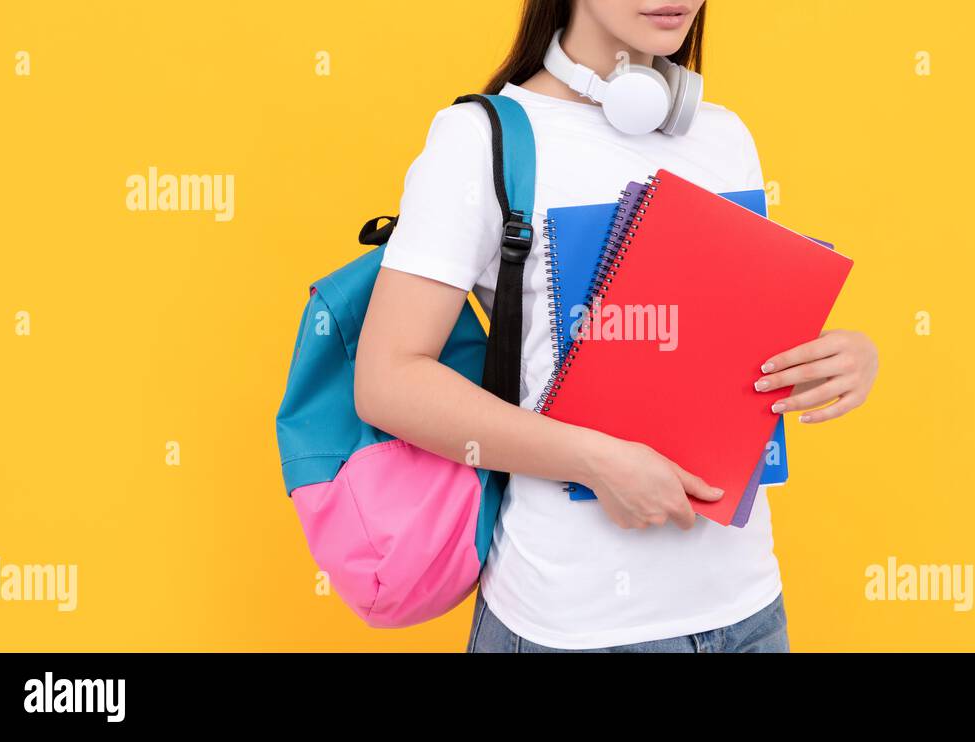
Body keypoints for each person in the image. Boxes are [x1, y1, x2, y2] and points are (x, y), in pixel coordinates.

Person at [354, 0, 879, 653]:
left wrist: (843, 355)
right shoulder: (481, 139)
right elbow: (387, 380)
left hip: (749, 612)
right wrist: (594, 460)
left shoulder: (723, 136)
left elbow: (729, 352)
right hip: (573, 627)